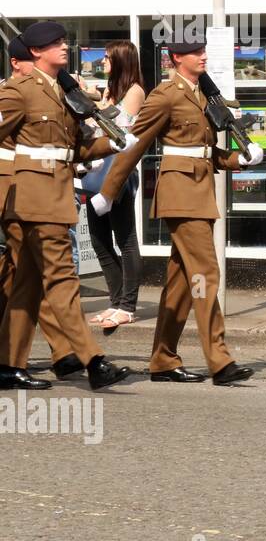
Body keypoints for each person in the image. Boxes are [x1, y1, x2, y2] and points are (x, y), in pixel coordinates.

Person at [92, 32, 259, 386]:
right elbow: (133, 145)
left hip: (199, 192)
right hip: (180, 194)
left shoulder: (202, 94)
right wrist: (108, 192)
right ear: (175, 59)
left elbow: (205, 152)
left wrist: (237, 159)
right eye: (195, 52)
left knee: (183, 281)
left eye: (202, 50)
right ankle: (220, 360)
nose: (202, 56)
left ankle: (163, 359)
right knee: (206, 274)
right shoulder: (166, 96)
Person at [0, 21, 131, 391]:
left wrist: (112, 144)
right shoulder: (19, 90)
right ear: (36, 52)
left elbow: (74, 150)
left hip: (55, 193)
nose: (63, 46)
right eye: (54, 43)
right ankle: (94, 360)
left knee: (26, 286)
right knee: (61, 280)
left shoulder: (64, 91)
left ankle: (8, 365)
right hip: (34, 198)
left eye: (62, 41)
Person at [0, 33, 78, 372]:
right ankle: (63, 351)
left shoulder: (48, 92)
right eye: (33, 64)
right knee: (39, 274)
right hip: (10, 189)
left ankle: (15, 358)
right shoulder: (13, 94)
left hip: (35, 191)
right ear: (18, 63)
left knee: (23, 277)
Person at [83, 39, 145, 333]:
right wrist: (93, 99)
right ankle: (115, 299)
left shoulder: (135, 92)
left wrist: (97, 103)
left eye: (107, 58)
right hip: (95, 174)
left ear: (121, 60)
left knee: (125, 238)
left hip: (117, 173)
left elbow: (116, 127)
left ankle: (128, 306)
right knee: (99, 238)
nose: (103, 62)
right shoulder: (109, 89)